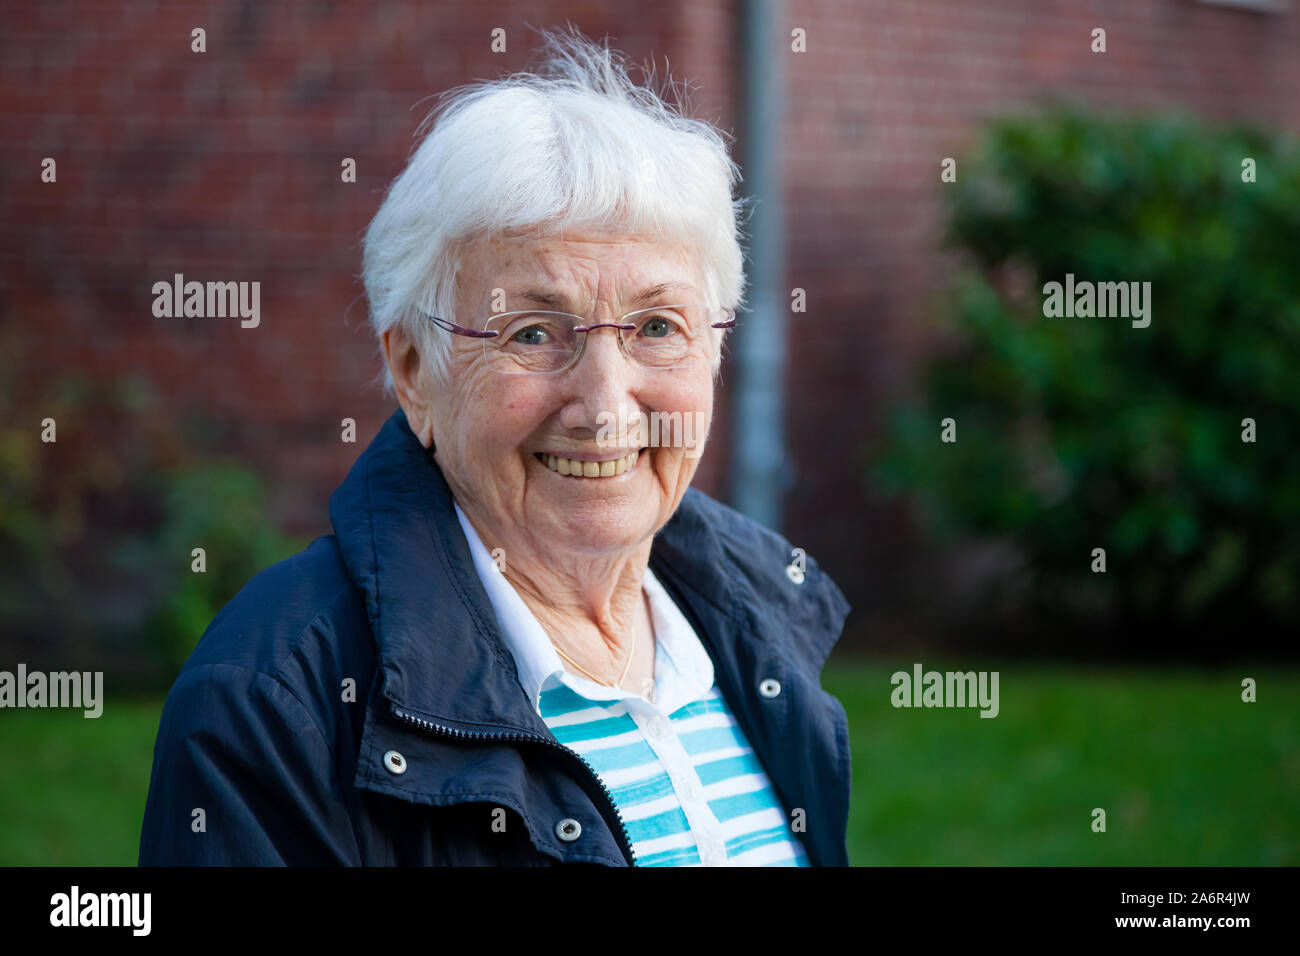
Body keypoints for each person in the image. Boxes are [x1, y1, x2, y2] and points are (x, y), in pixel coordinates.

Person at [139, 26, 852, 867]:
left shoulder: (757, 630)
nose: (603, 405)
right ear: (413, 369)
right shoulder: (272, 700)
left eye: (658, 325)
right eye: (535, 332)